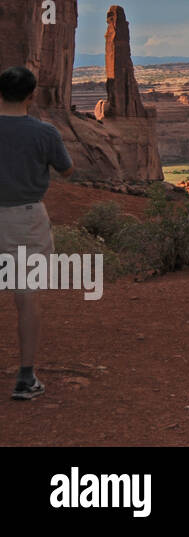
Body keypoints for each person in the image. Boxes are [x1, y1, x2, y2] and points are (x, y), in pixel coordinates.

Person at [0, 66, 74, 401]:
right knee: (26, 297)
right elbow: (67, 169)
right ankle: (25, 378)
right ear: (32, 95)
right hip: (25, 220)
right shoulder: (45, 133)